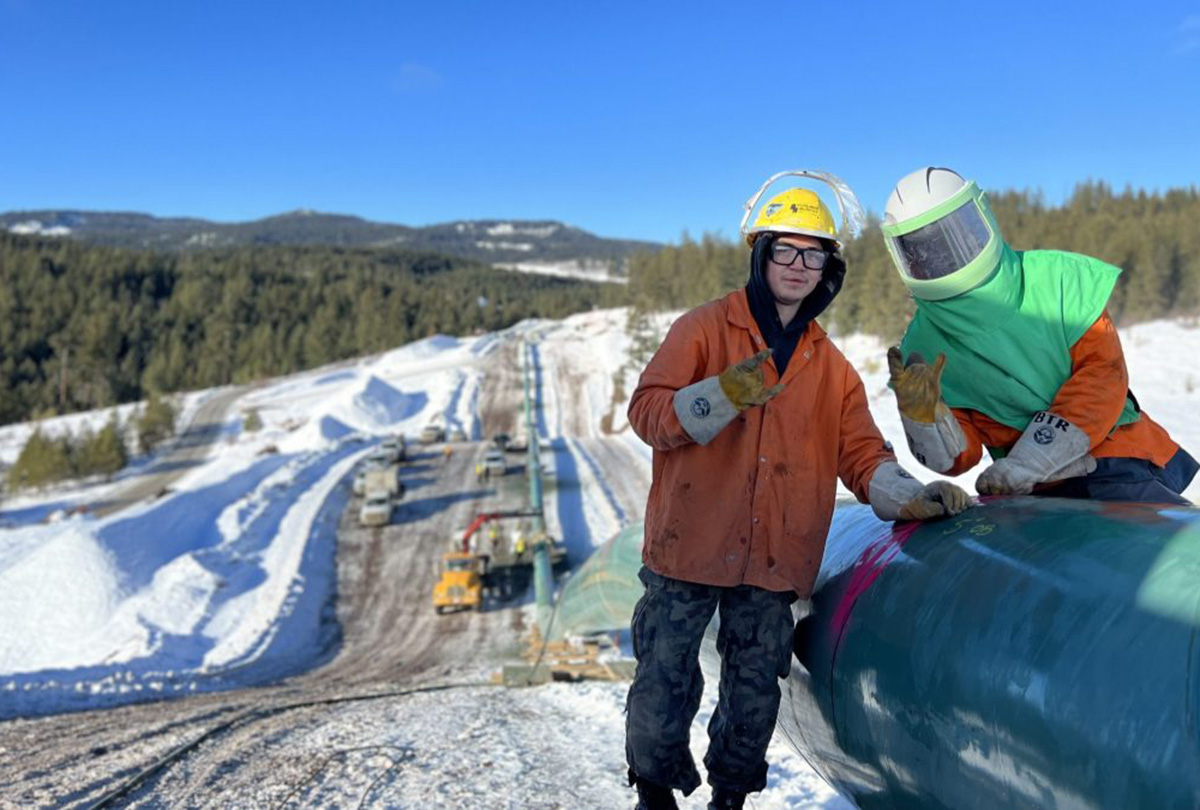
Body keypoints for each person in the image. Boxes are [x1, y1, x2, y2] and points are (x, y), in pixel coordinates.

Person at [625, 176, 974, 810]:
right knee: (663, 682)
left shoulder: (831, 367)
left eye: (814, 255)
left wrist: (909, 494)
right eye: (785, 250)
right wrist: (719, 396)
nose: (798, 266)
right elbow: (647, 412)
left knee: (756, 692)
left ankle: (730, 798)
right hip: (688, 550)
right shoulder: (703, 330)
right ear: (759, 255)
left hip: (775, 560)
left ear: (829, 269)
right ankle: (654, 794)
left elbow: (862, 455)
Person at [881, 166, 1197, 503]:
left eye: (954, 235)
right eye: (924, 249)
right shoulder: (922, 345)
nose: (943, 255)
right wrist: (927, 422)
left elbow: (1101, 378)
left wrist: (1029, 461)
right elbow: (962, 456)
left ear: (980, 218)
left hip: (1114, 458)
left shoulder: (1058, 281)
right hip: (1026, 494)